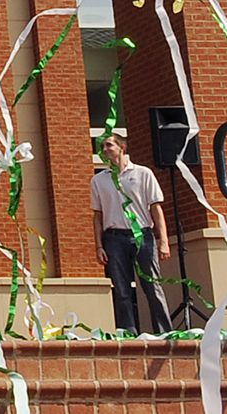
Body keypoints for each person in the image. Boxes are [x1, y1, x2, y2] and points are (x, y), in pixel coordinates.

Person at [91, 132, 172, 334]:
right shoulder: (98, 180)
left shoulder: (143, 173)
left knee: (152, 286)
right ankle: (128, 333)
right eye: (103, 147)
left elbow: (155, 208)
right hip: (114, 238)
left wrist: (163, 240)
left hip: (142, 235)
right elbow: (97, 215)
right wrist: (99, 245)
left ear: (121, 147)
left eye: (109, 145)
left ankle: (164, 333)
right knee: (122, 289)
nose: (105, 150)